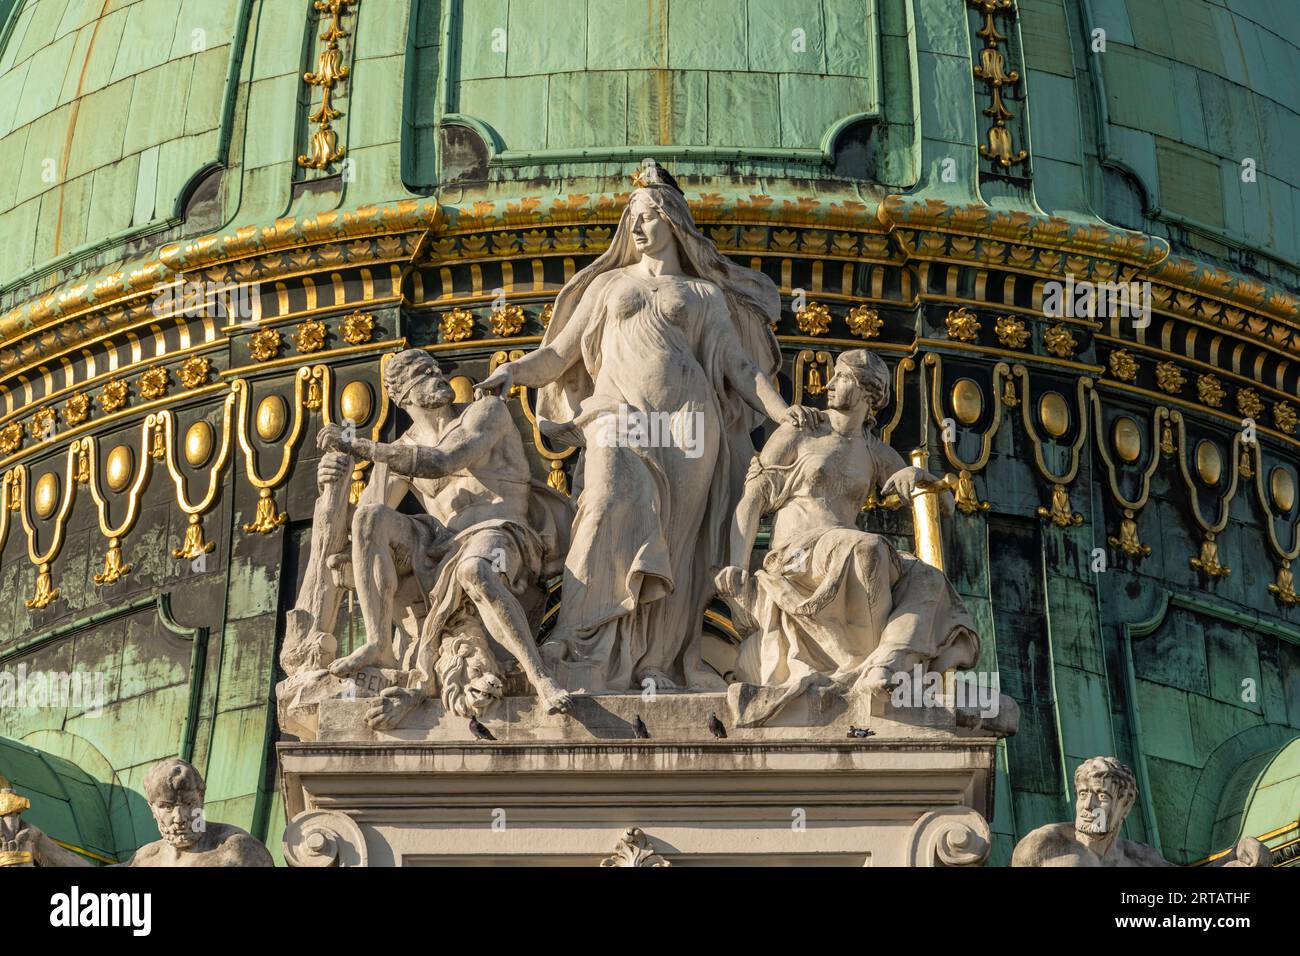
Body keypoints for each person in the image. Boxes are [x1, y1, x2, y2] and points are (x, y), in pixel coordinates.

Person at [476, 162, 817, 692]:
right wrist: (514, 371)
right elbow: (561, 352)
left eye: (649, 215)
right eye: (631, 218)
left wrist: (778, 411)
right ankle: (578, 633)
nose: (637, 227)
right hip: (616, 413)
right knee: (606, 499)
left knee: (678, 540)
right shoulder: (610, 284)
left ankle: (657, 661)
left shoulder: (704, 295)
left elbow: (737, 366)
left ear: (674, 222)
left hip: (688, 421)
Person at [715, 349, 979, 724]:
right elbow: (752, 500)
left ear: (867, 391)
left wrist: (918, 477)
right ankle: (863, 666)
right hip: (795, 555)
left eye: (841, 378)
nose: (829, 384)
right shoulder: (800, 430)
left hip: (842, 548)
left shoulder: (874, 451)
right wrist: (736, 570)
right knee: (868, 547)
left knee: (929, 579)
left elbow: (948, 506)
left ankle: (885, 667)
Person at [317, 349, 573, 723]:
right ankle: (378, 642)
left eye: (436, 369)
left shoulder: (486, 413)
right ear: (403, 395)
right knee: (371, 519)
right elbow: (361, 531)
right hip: (441, 543)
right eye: (424, 373)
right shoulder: (401, 448)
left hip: (503, 533)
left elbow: (443, 462)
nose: (438, 376)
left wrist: (359, 446)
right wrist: (334, 486)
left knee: (473, 571)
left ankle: (540, 677)